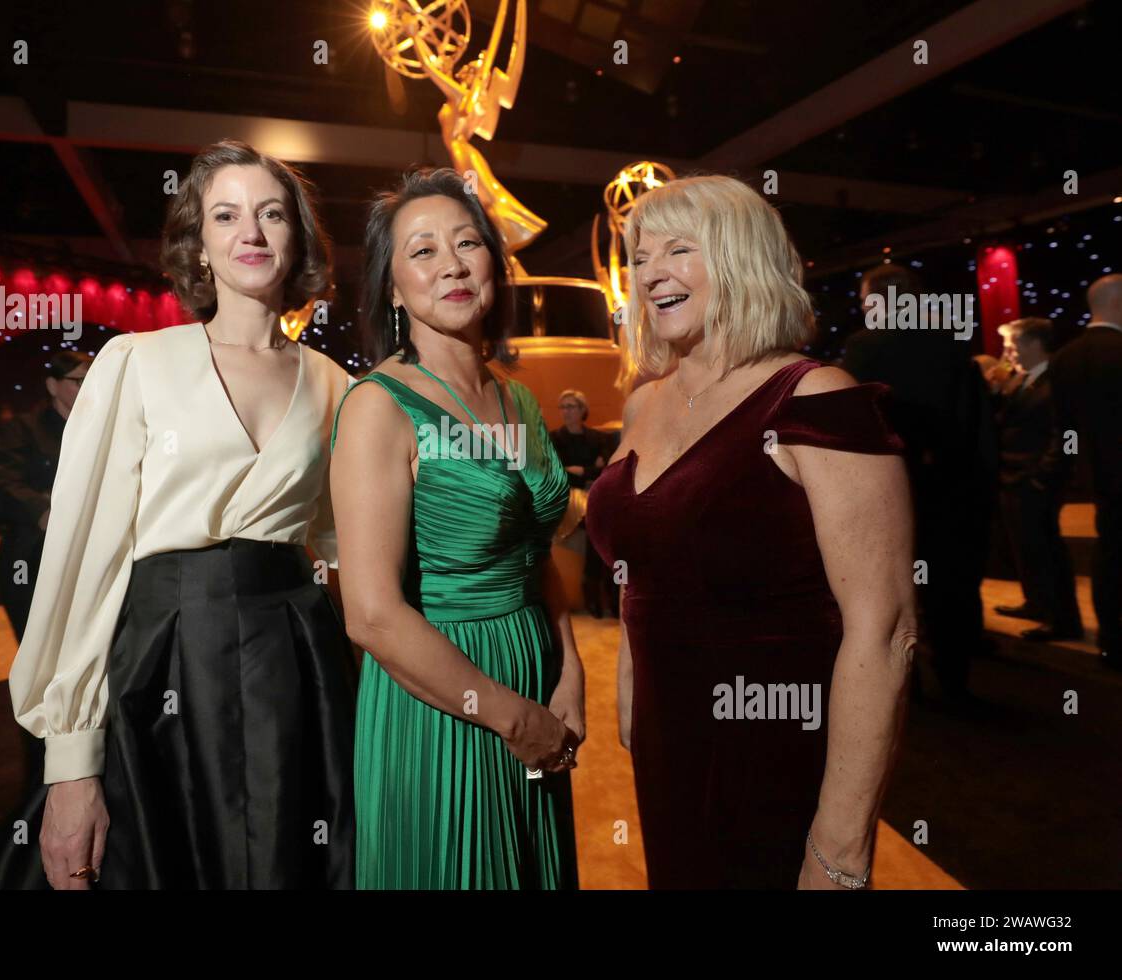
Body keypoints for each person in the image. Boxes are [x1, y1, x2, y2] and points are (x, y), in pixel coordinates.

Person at [0, 139, 356, 889]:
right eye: (226, 215)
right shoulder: (136, 363)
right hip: (158, 661)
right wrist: (70, 761)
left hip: (294, 665)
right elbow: (84, 561)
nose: (250, 233)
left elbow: (343, 547)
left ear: (298, 237)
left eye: (271, 214)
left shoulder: (334, 385)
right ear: (199, 243)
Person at [585, 174, 916, 889]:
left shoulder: (812, 396)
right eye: (640, 257)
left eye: (678, 250)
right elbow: (641, 561)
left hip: (776, 746)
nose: (649, 274)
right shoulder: (644, 401)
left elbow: (885, 630)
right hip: (668, 744)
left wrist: (841, 846)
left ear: (742, 259)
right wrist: (631, 679)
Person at [330, 167, 582, 889]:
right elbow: (372, 616)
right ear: (390, 285)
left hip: (532, 676)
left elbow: (538, 551)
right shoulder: (379, 407)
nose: (451, 264)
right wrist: (509, 716)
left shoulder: (520, 401)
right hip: (441, 694)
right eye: (423, 250)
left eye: (467, 243)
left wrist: (570, 668)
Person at [843, 263, 997, 701]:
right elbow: (975, 427)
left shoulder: (863, 347)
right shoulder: (953, 347)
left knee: (891, 590)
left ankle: (904, 687)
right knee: (951, 589)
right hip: (951, 491)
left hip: (887, 493)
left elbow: (854, 424)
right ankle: (955, 681)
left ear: (875, 300)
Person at [991, 318, 1081, 641]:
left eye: (1012, 345)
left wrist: (1045, 475)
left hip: (1037, 480)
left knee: (1046, 550)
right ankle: (1036, 603)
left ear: (1032, 344)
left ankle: (1063, 620)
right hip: (1012, 477)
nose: (1007, 353)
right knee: (1025, 548)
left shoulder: (1057, 381)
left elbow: (1066, 434)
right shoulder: (1017, 381)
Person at [1048, 274, 1122, 669]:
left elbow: (1065, 429)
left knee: (1109, 557)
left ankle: (1111, 640)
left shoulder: (1065, 357)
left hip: (1097, 477)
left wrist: (1075, 468)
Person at [0, 351, 90, 639]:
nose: (88, 388)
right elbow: (1, 482)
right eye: (78, 381)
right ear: (52, 385)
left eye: (93, 381)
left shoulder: (102, 429)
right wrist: (43, 511)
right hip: (32, 552)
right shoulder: (23, 428)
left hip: (88, 552)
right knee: (39, 648)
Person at [550, 389, 618, 618]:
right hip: (568, 496)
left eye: (571, 406)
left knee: (606, 520)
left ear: (582, 410)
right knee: (594, 519)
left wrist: (582, 470)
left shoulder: (599, 438)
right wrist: (590, 471)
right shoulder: (553, 438)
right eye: (563, 407)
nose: (566, 411)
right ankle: (596, 588)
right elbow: (556, 472)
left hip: (594, 493)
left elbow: (607, 469)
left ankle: (604, 589)